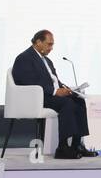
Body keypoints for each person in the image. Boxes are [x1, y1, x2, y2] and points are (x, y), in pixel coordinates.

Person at [10, 30, 95, 160]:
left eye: (52, 45)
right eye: (49, 44)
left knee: (78, 100)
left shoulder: (47, 61)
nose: (51, 48)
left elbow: (54, 80)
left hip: (50, 95)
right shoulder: (24, 58)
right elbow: (28, 82)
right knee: (67, 103)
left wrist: (65, 88)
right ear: (38, 42)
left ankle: (77, 145)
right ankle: (62, 148)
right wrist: (55, 92)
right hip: (36, 98)